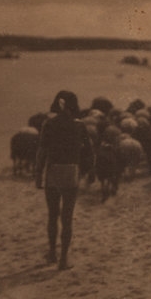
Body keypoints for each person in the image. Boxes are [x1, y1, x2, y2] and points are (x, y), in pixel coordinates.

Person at [34, 90, 94, 270]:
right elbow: (89, 152)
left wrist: (38, 174)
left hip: (53, 171)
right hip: (71, 171)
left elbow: (42, 151)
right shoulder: (79, 125)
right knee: (67, 218)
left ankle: (52, 253)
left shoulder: (49, 124)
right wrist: (86, 171)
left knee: (53, 215)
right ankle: (64, 259)